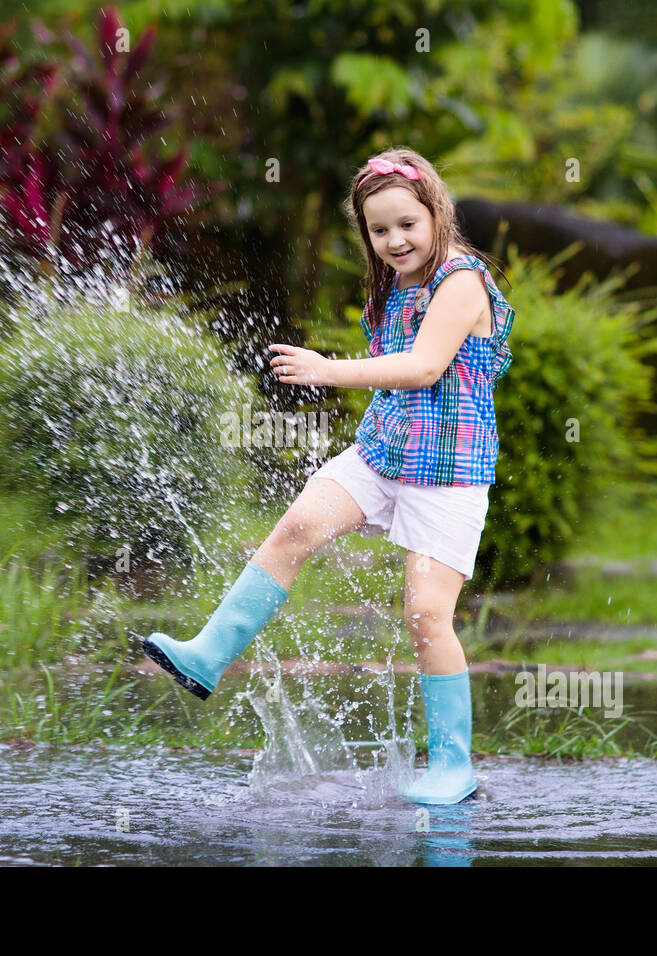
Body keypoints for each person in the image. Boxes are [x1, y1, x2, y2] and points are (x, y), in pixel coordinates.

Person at [143, 146, 515, 805]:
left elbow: (425, 367)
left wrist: (326, 369)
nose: (395, 240)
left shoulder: (461, 281)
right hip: (380, 455)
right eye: (379, 230)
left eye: (408, 223)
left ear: (436, 213)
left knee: (427, 618)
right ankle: (207, 655)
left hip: (448, 473)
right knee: (293, 531)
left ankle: (454, 766)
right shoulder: (393, 284)